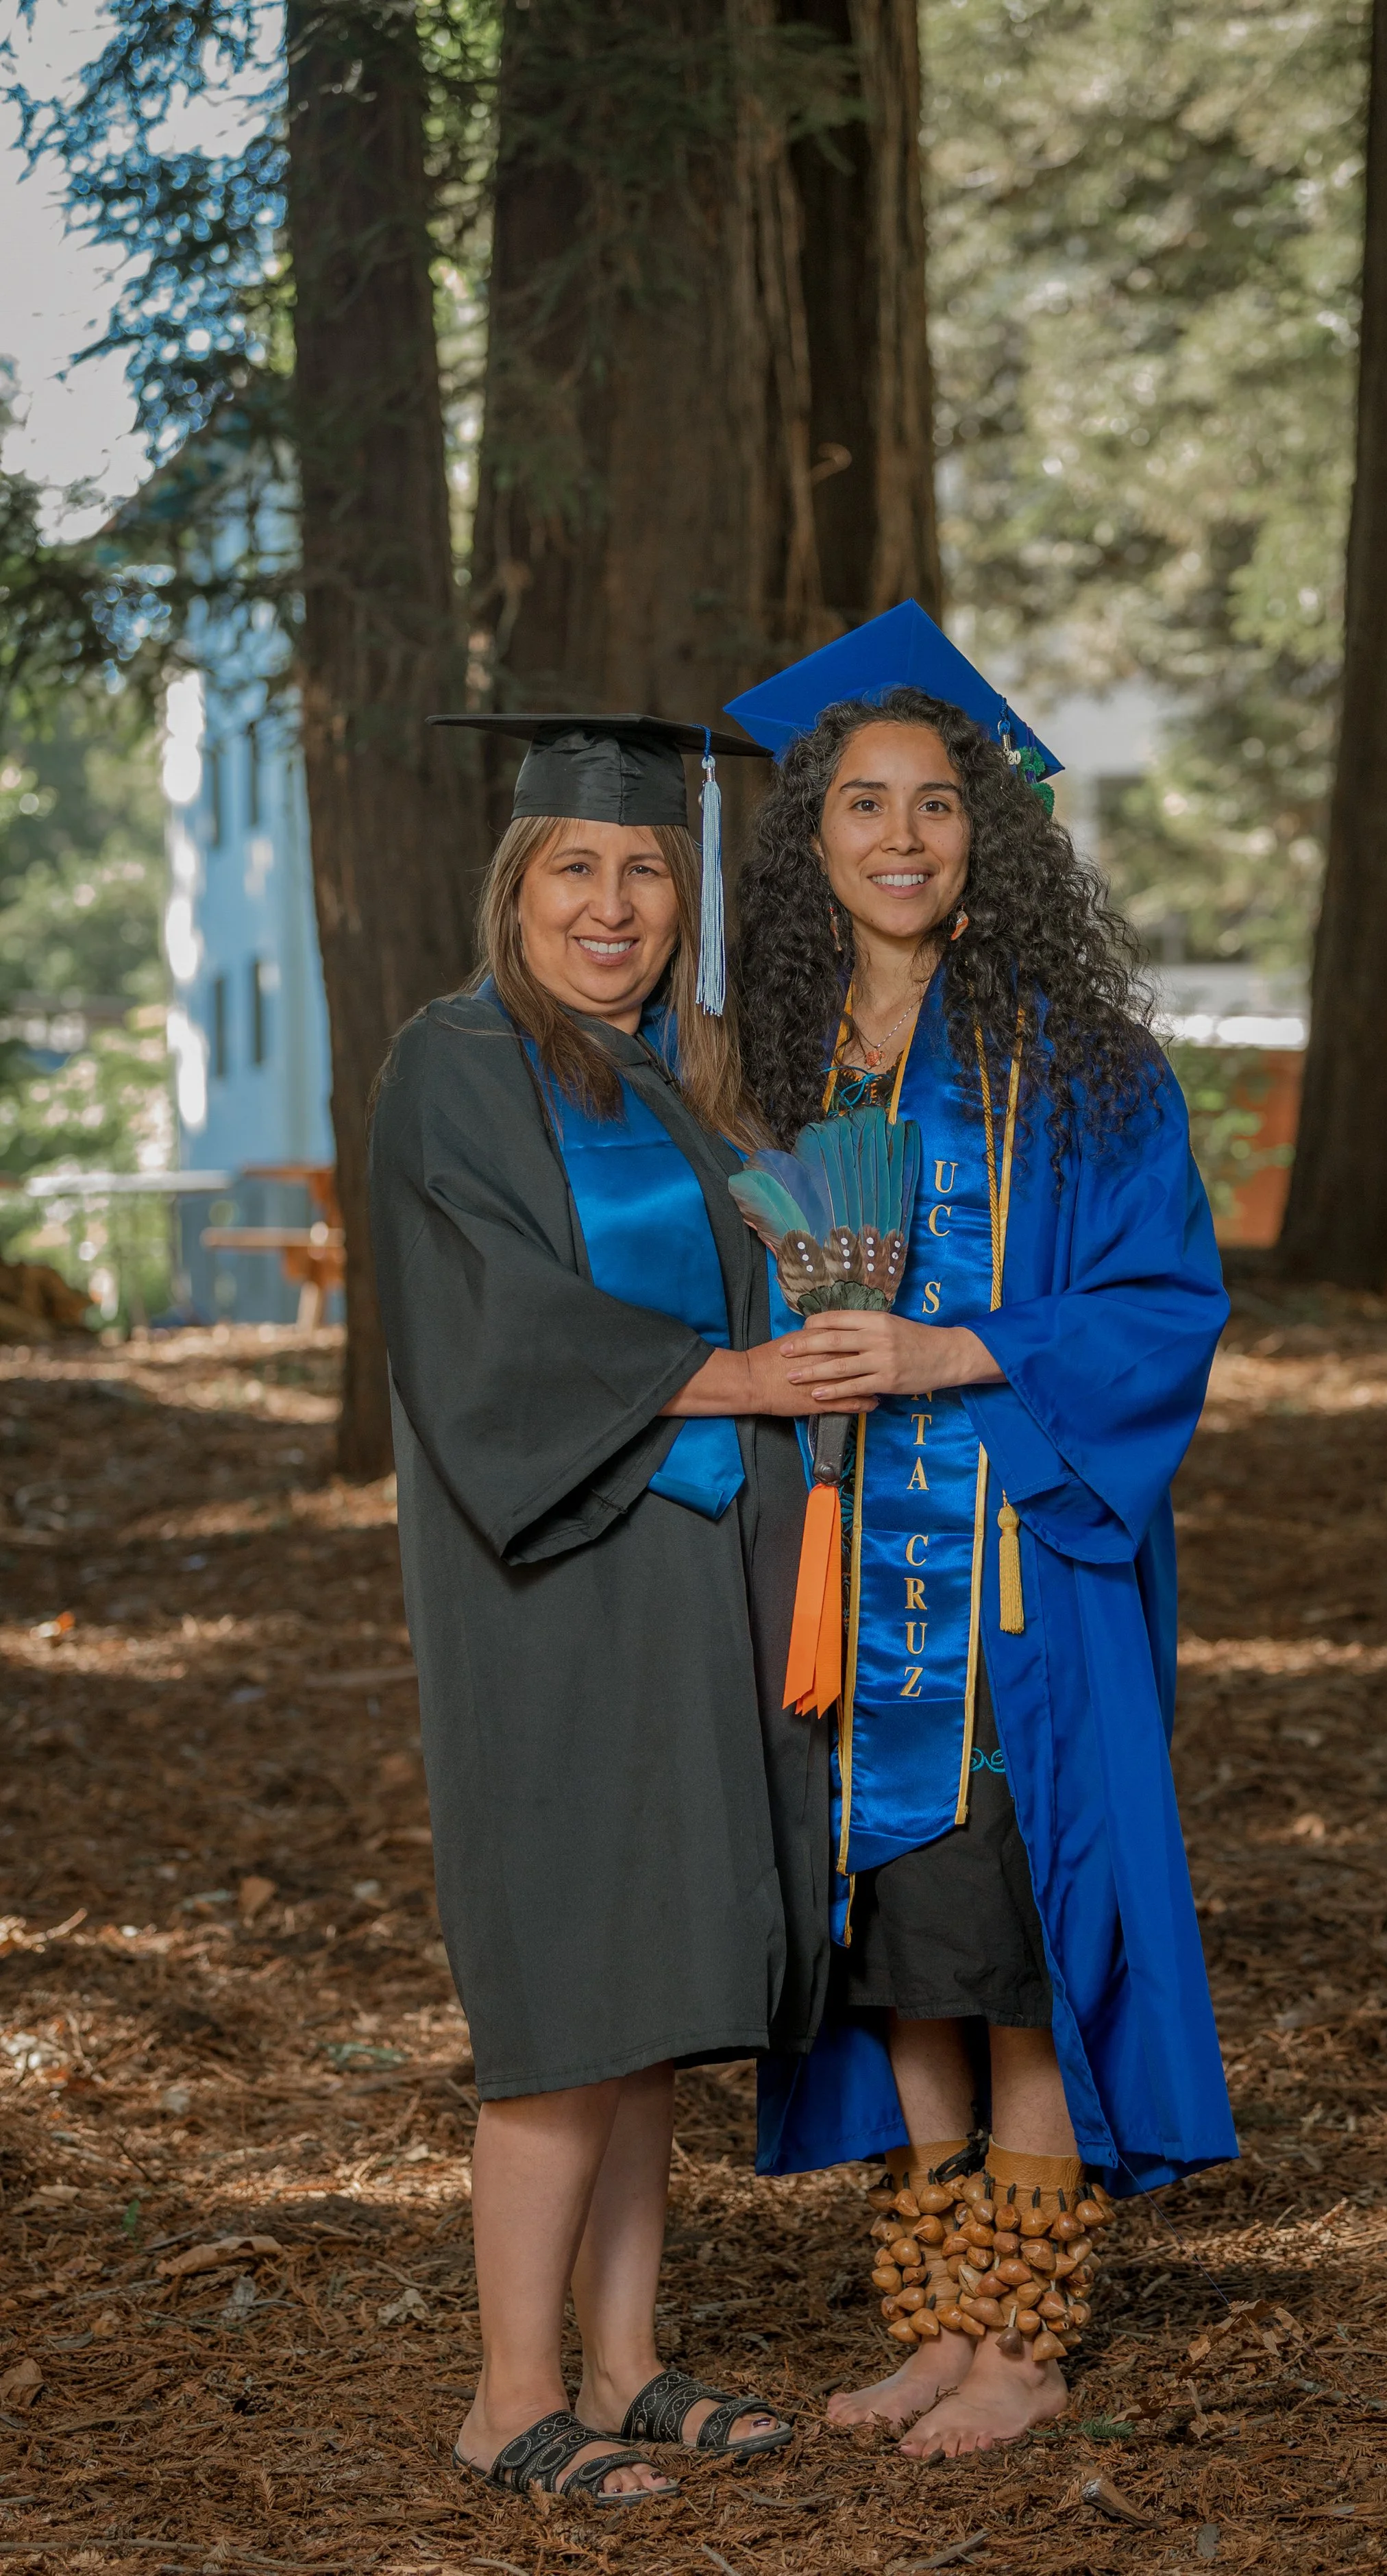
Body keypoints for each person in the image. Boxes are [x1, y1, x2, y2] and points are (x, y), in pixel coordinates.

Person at [724, 605, 1236, 2459]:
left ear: (985, 831)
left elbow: (1166, 1303)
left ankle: (1024, 2337)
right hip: (837, 1585)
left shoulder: (1079, 1062)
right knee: (895, 1957)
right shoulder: (774, 1058)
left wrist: (957, 1345)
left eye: (935, 804)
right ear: (813, 837)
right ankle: (939, 2316)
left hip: (1015, 1583)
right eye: (861, 804)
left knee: (1016, 1957)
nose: (899, 837)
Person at [369, 713, 860, 2506]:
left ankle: (628, 2363)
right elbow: (499, 1333)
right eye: (575, 863)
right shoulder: (455, 1064)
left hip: (679, 1572)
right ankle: (510, 2395)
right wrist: (745, 1378)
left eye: (644, 865)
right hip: (548, 1585)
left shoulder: (663, 1072)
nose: (612, 897)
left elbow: (764, 1277)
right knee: (562, 1984)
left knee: (645, 1984)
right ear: (516, 883)